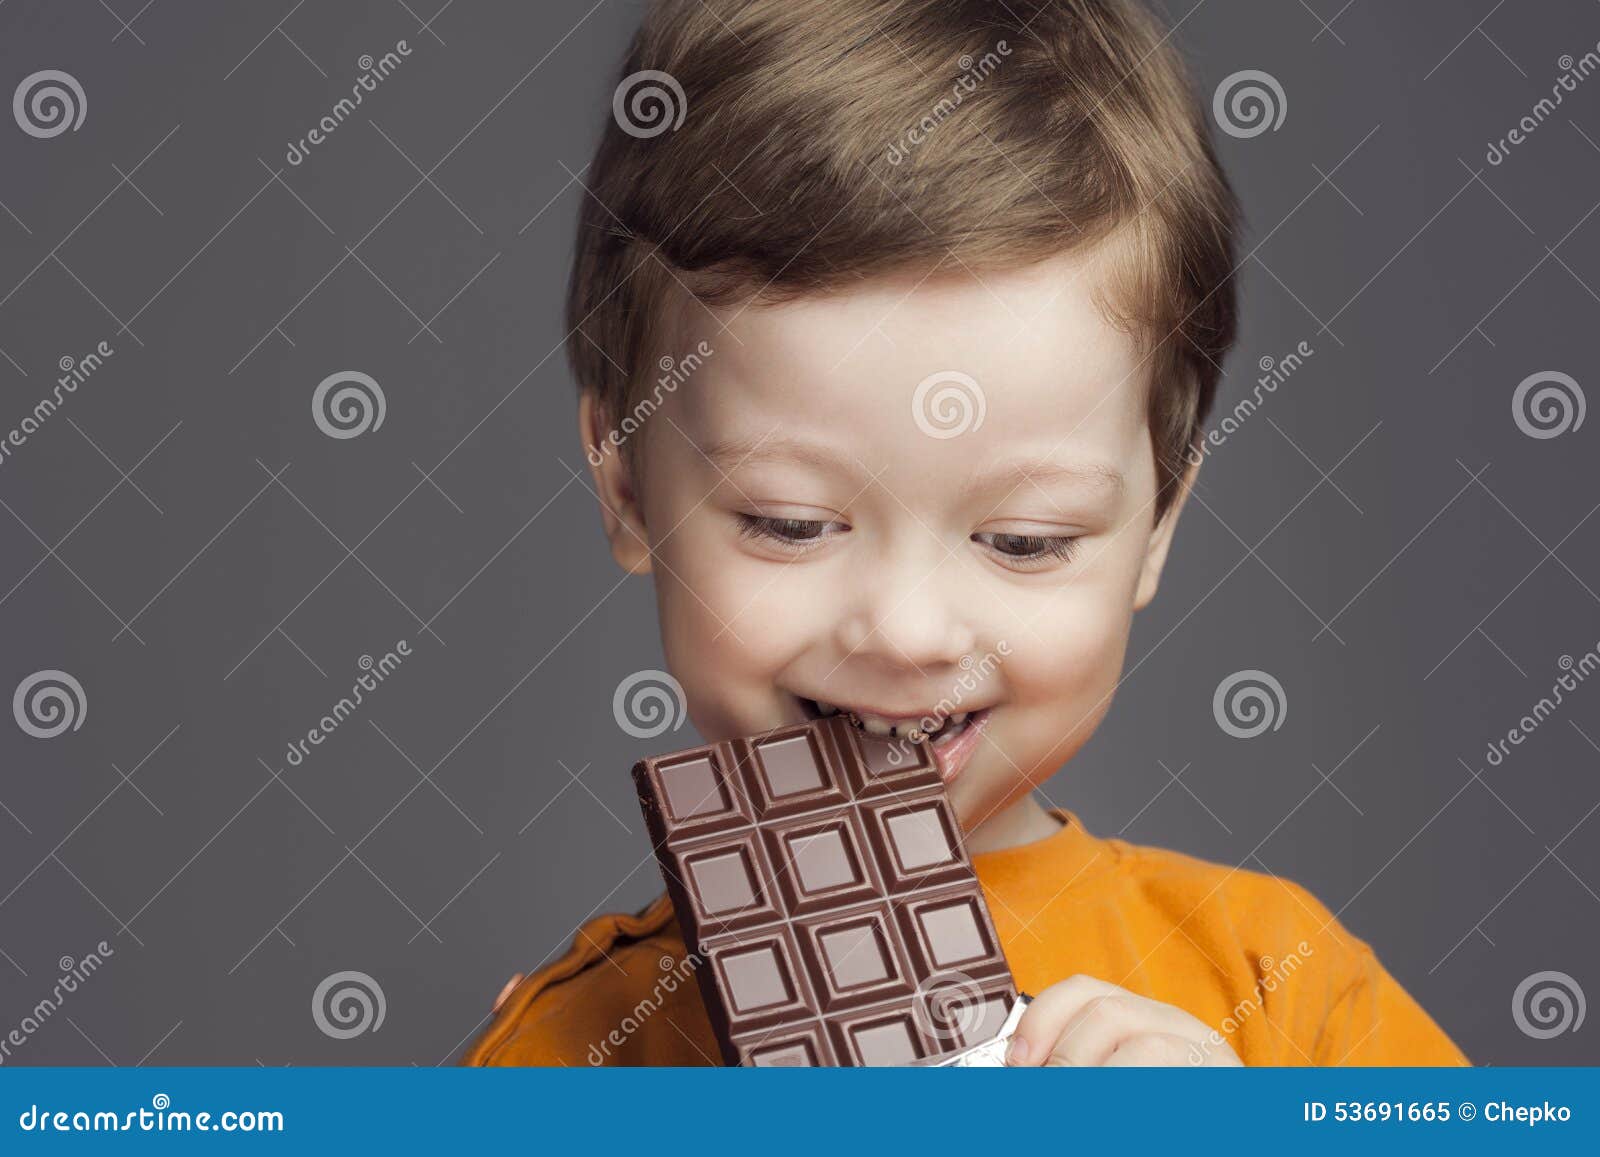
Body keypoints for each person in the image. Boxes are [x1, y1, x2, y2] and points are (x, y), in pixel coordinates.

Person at [463, 0, 1467, 1067]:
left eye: (1025, 540)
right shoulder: (582, 1047)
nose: (905, 629)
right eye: (791, 523)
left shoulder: (1283, 989)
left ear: (1160, 518)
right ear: (625, 485)